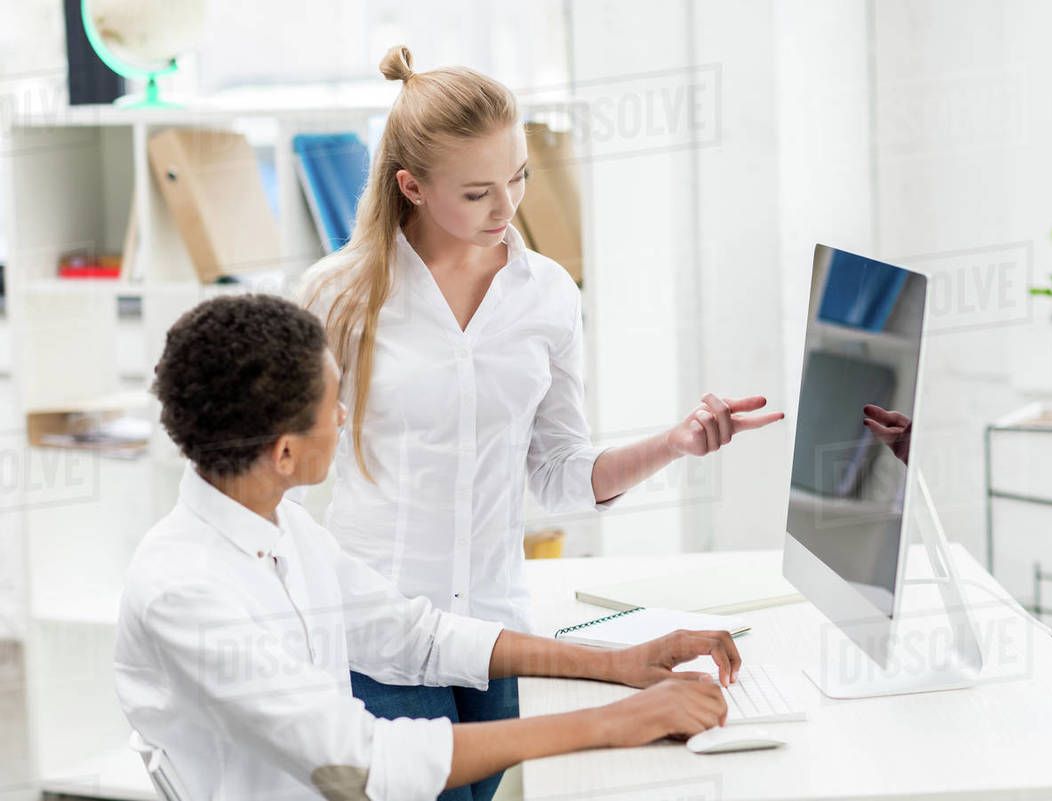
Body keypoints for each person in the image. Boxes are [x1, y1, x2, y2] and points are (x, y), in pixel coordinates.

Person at [299, 45, 783, 800]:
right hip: (377, 638)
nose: (507, 207)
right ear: (412, 186)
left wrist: (676, 443)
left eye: (519, 177)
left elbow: (558, 472)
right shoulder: (336, 296)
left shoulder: (547, 295)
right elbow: (285, 475)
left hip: (497, 636)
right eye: (478, 191)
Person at [114, 295, 741, 801]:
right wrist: (613, 724)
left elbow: (416, 637)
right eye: (333, 404)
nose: (343, 417)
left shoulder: (284, 527)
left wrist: (617, 663)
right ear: (283, 453)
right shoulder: (185, 591)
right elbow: (357, 763)